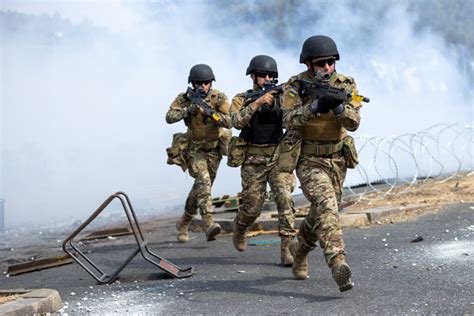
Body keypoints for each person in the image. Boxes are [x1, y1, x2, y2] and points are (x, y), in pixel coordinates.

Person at [281, 35, 363, 291]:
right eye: (321, 63)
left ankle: (300, 249)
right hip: (308, 159)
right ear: (308, 65)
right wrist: (315, 106)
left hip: (337, 158)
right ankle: (338, 264)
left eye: (331, 62)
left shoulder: (346, 83)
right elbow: (288, 119)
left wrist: (338, 109)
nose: (328, 68)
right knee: (327, 205)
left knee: (322, 212)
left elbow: (355, 122)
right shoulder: (294, 85)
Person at [229, 55, 297, 266]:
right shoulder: (242, 98)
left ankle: (287, 249)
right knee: (252, 207)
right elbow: (235, 121)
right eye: (262, 75)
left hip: (278, 157)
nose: (266, 78)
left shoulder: (281, 96)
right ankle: (240, 228)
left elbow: (292, 121)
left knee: (285, 201)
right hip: (253, 158)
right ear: (253, 76)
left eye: (270, 75)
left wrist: (283, 98)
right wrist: (258, 102)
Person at [166, 64, 232, 243]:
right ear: (192, 84)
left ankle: (184, 222)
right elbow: (169, 117)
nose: (203, 86)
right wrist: (188, 110)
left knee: (200, 190)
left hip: (214, 150)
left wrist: (211, 114)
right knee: (203, 181)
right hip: (194, 149)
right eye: (198, 83)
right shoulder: (186, 98)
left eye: (206, 83)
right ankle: (208, 222)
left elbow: (229, 121)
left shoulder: (219, 97)